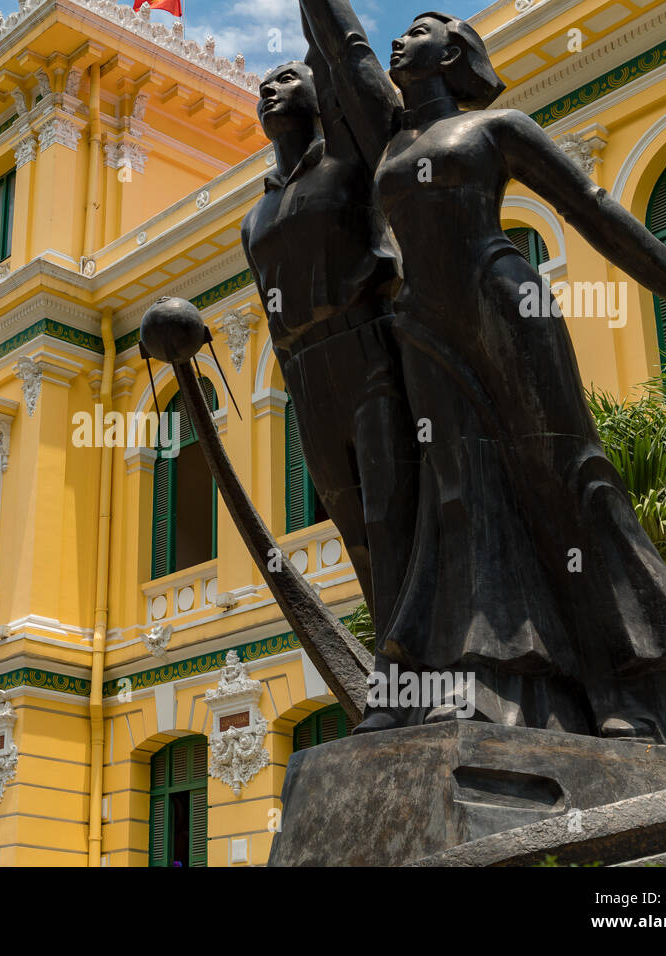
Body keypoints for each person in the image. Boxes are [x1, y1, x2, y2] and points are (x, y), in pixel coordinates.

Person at [366, 12, 666, 745]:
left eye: (419, 27)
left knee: (565, 485)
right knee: (462, 500)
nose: (399, 35)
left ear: (452, 50)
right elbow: (337, 45)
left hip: (504, 302)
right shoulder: (388, 141)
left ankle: (625, 690)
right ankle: (499, 688)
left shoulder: (497, 128)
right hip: (426, 329)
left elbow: (593, 208)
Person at [240, 0, 421, 732]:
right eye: (263, 88)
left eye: (285, 79)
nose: (270, 91)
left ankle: (418, 674)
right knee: (356, 530)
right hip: (306, 376)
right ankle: (400, 677)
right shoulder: (255, 217)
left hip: (368, 346)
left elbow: (340, 53)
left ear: (319, 95)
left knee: (395, 512)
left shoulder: (348, 159)